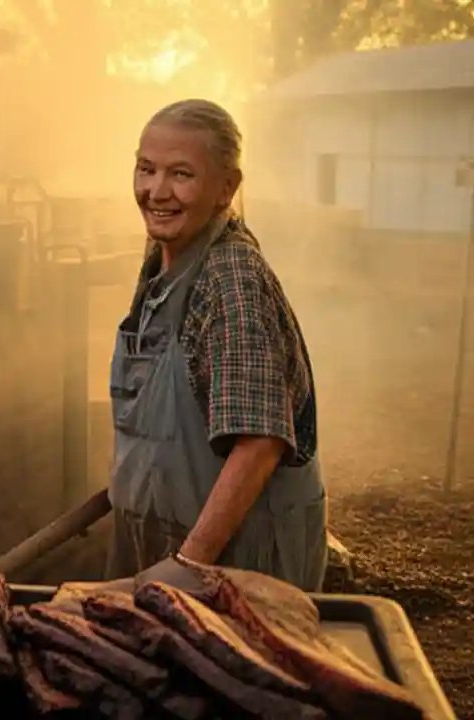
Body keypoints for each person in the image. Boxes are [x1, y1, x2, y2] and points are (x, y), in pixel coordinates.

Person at [105, 98, 328, 592]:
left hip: (234, 570)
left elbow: (259, 442)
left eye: (181, 174)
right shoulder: (165, 263)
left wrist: (190, 564)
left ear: (226, 188)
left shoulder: (230, 277)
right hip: (170, 553)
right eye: (146, 169)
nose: (155, 191)